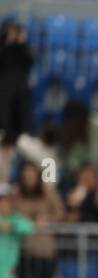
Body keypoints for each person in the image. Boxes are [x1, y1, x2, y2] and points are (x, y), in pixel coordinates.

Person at [13, 160, 64, 278]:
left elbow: (60, 213)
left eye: (32, 176)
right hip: (22, 249)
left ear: (37, 176)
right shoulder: (16, 193)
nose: (29, 179)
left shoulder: (48, 192)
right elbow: (9, 214)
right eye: (26, 176)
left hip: (45, 250)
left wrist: (47, 218)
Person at [0, 18, 33, 171]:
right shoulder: (3, 46)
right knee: (6, 116)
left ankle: (21, 139)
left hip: (21, 87)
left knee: (22, 114)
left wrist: (22, 43)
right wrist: (8, 43)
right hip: (5, 86)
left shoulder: (22, 47)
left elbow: (30, 61)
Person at [55, 101, 98, 182]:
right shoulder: (70, 132)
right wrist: (81, 173)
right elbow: (70, 164)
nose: (73, 128)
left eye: (75, 124)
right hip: (80, 178)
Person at [0, 185, 34, 278]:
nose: (3, 204)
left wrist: (12, 226)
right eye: (1, 201)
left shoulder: (15, 218)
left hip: (9, 266)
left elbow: (29, 227)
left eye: (6, 201)